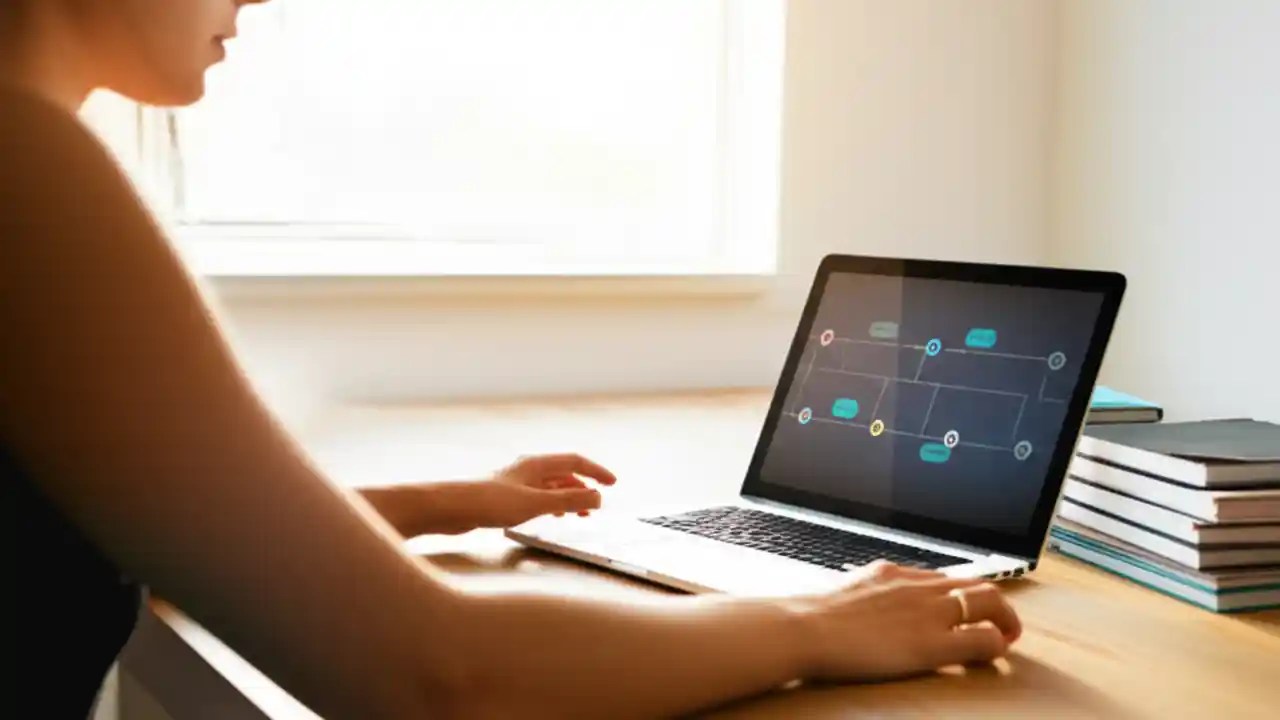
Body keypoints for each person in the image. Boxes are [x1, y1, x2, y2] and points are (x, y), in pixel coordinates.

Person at [0, 1, 1023, 717]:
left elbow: (166, 526)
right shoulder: (26, 168)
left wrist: (440, 503)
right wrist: (813, 623)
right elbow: (442, 678)